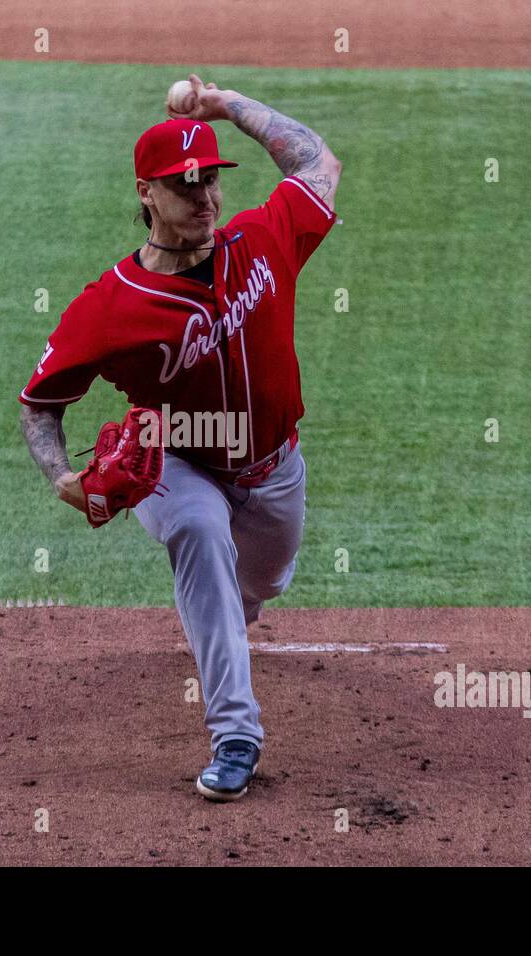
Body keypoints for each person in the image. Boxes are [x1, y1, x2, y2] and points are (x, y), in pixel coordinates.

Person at [18, 74, 341, 801]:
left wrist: (229, 105)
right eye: (183, 184)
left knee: (259, 583)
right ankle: (236, 736)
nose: (204, 196)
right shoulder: (108, 308)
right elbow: (40, 406)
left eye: (210, 180)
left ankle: (237, 608)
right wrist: (62, 478)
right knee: (198, 530)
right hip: (176, 461)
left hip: (275, 468)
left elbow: (318, 162)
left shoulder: (263, 238)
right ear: (145, 193)